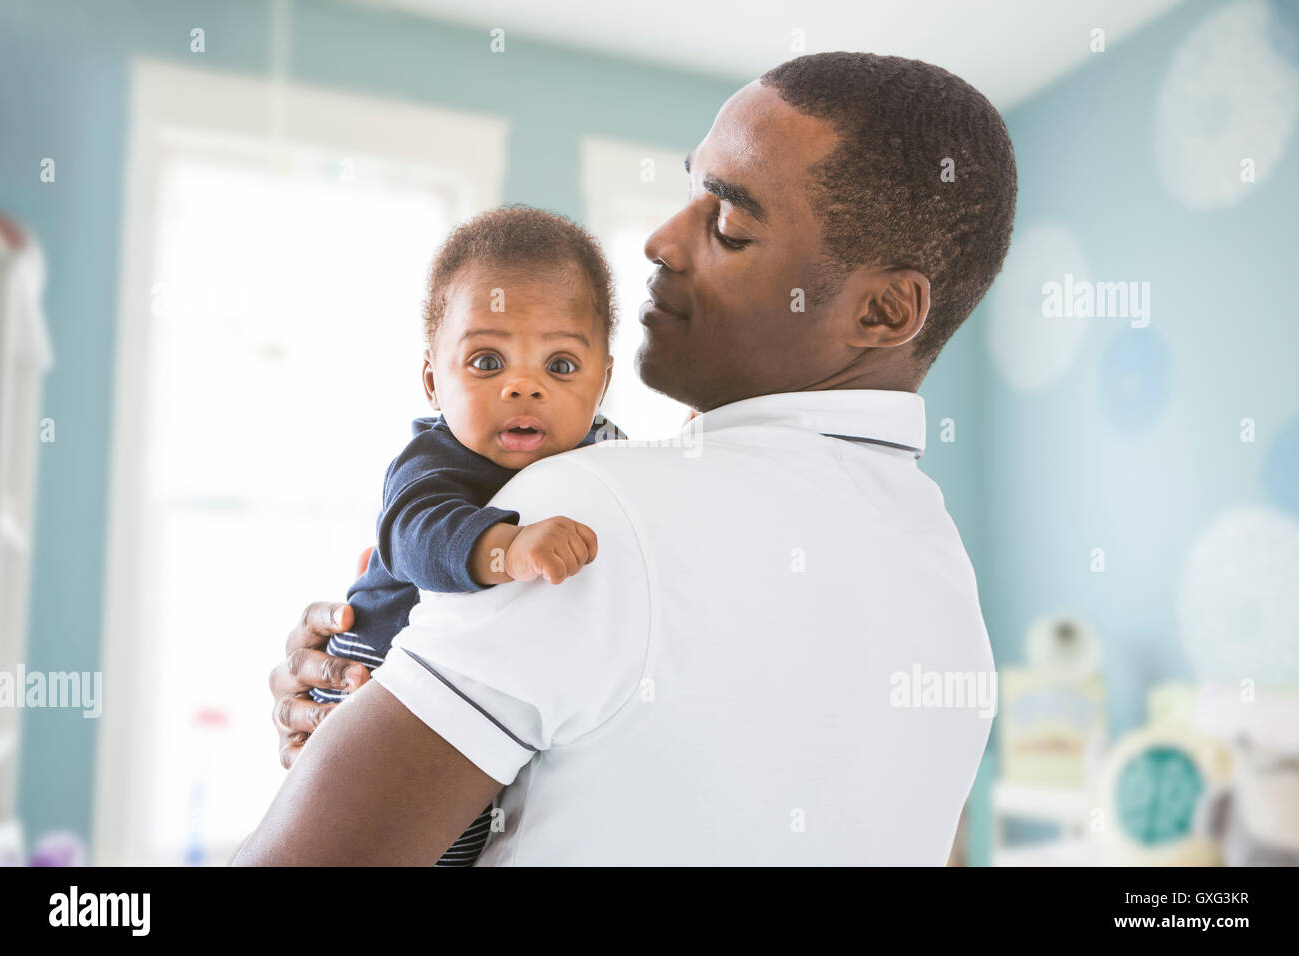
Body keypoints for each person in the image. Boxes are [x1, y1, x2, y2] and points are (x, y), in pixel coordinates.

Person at [238, 51, 1017, 866]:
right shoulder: (953, 600)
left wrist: (342, 744)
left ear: (886, 310)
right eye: (690, 193)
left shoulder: (578, 519)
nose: (660, 241)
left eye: (730, 226)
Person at [307, 205, 627, 866]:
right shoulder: (435, 460)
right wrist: (506, 548)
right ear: (433, 379)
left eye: (562, 366)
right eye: (487, 360)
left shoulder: (602, 452)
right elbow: (411, 535)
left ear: (602, 382)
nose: (524, 386)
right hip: (373, 678)